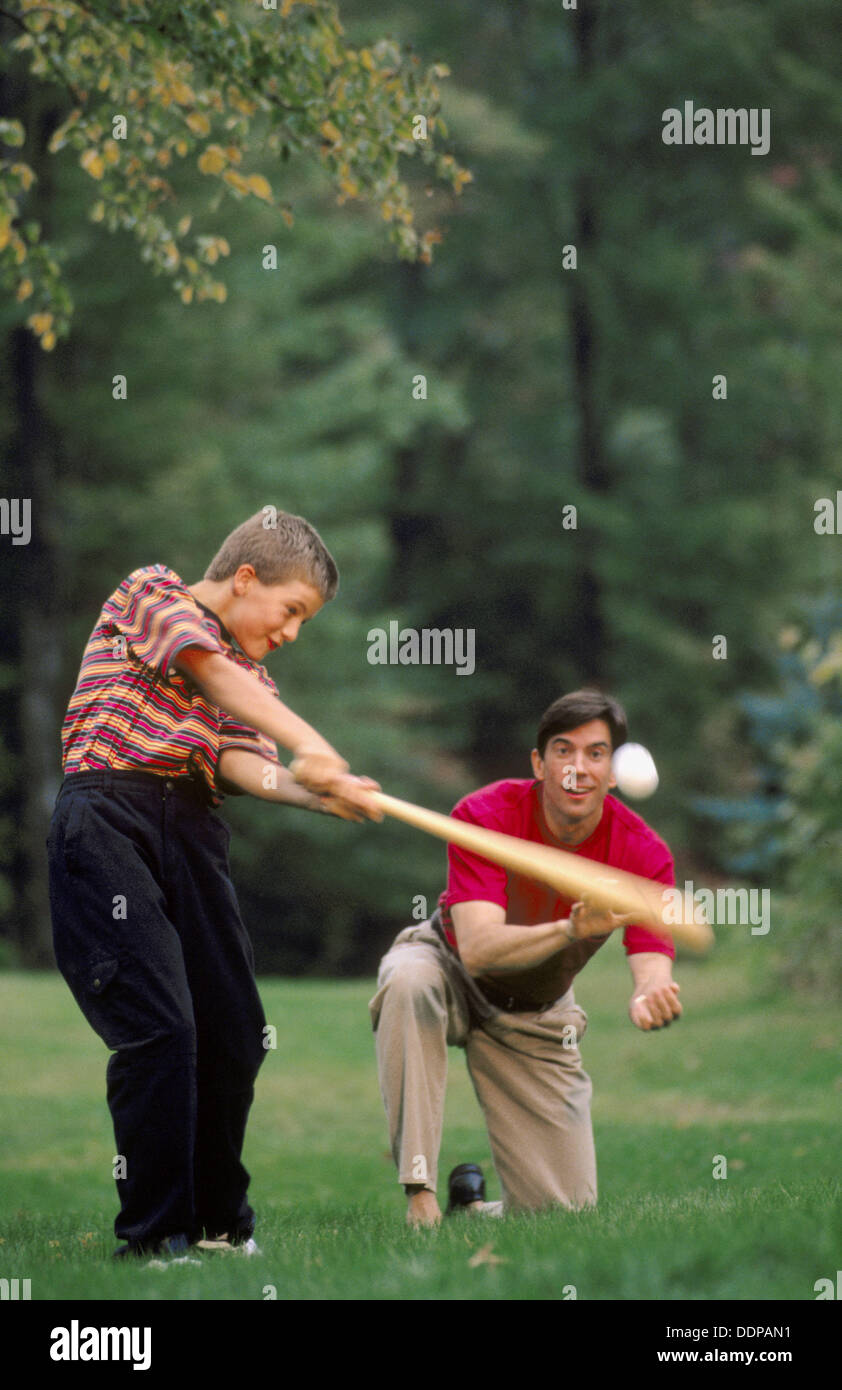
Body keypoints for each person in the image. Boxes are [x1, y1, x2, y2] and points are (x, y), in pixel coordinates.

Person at [48, 508, 381, 1258]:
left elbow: (240, 760)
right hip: (108, 819)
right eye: (292, 610)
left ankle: (218, 1227)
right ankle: (154, 1238)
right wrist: (312, 743)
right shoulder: (151, 592)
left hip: (191, 830)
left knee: (234, 1032)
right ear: (244, 578)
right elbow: (209, 671)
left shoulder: (250, 676)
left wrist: (315, 790)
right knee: (163, 1028)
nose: (293, 632)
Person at [369, 688, 682, 1227]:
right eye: (563, 751)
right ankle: (419, 1196)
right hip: (447, 966)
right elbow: (481, 949)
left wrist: (650, 988)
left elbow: (651, 949)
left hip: (537, 1009)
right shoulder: (485, 813)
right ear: (539, 763)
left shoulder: (643, 854)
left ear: (613, 772)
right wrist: (569, 929)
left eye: (595, 754)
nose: (577, 769)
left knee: (562, 1215)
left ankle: (470, 1208)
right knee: (408, 982)